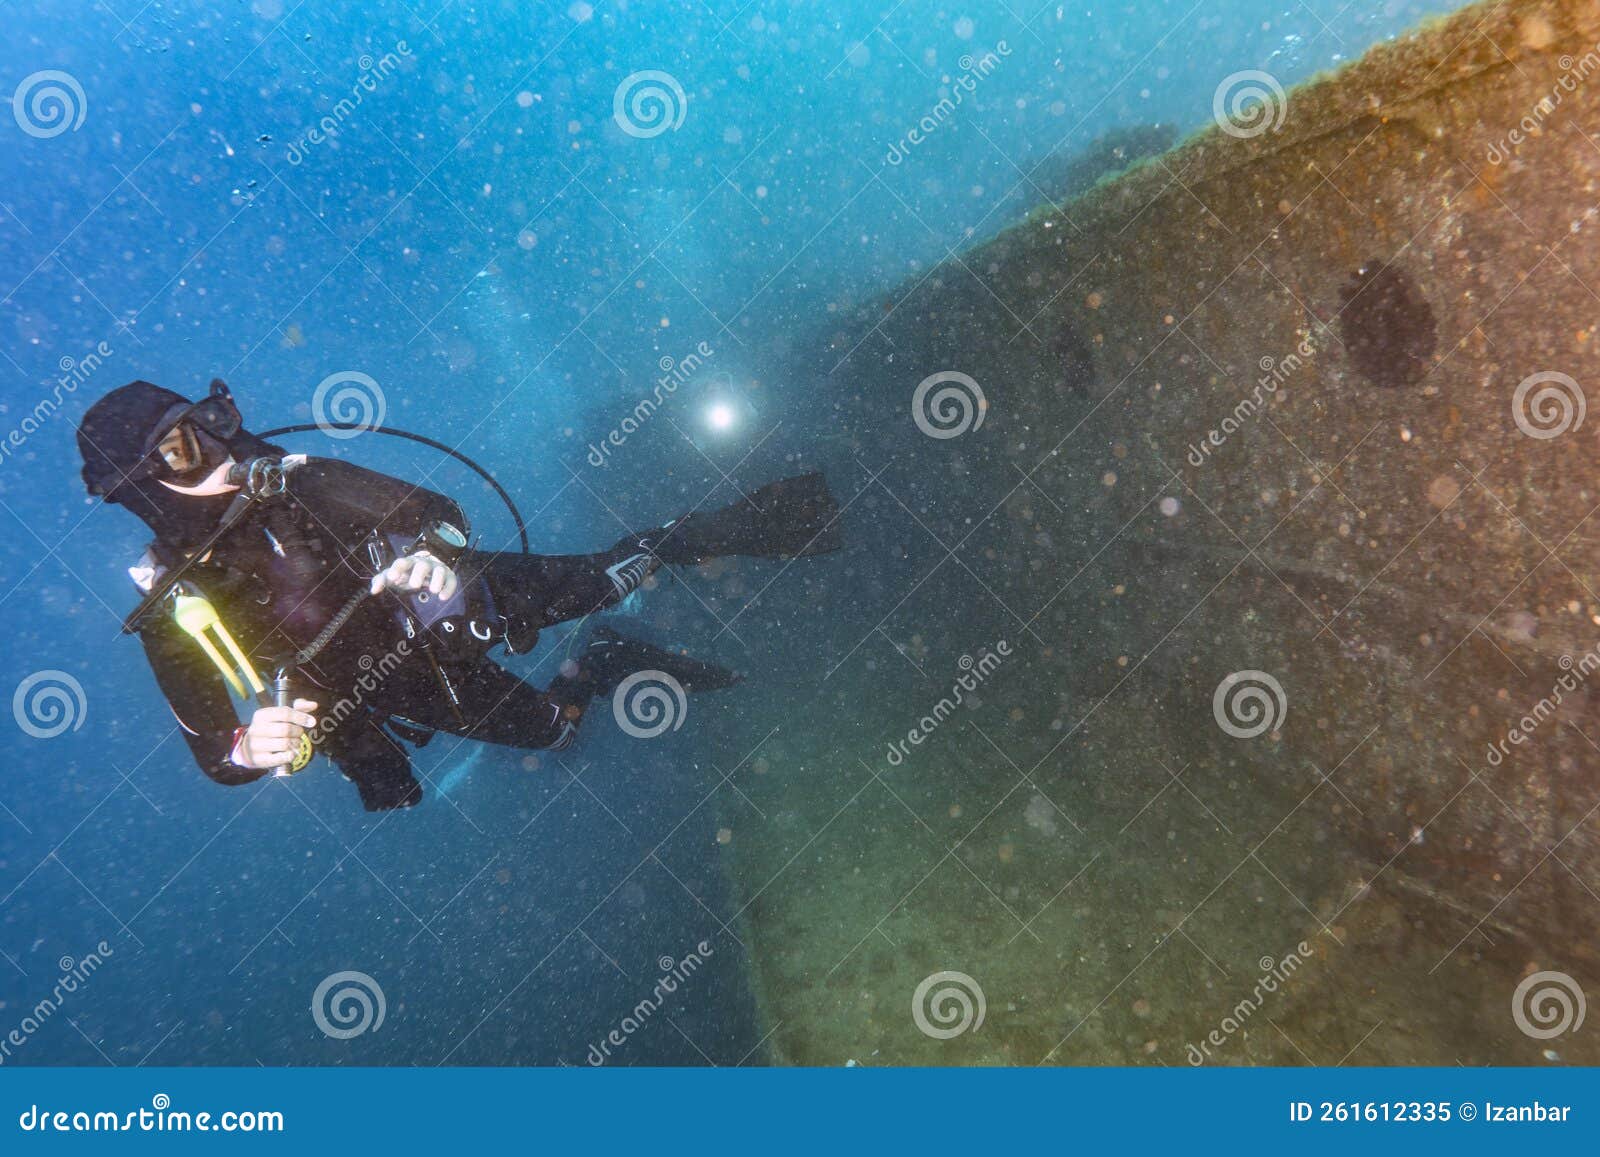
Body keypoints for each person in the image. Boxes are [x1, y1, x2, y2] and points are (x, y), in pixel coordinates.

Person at [75, 378, 842, 811]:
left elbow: (431, 509)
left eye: (212, 420)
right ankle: (601, 659)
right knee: (555, 734)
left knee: (617, 572)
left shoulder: (298, 479)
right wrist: (252, 746)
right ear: (143, 487)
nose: (218, 447)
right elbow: (215, 750)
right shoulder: (171, 601)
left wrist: (432, 552)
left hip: (457, 601)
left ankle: (744, 526)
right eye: (183, 446)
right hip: (392, 684)